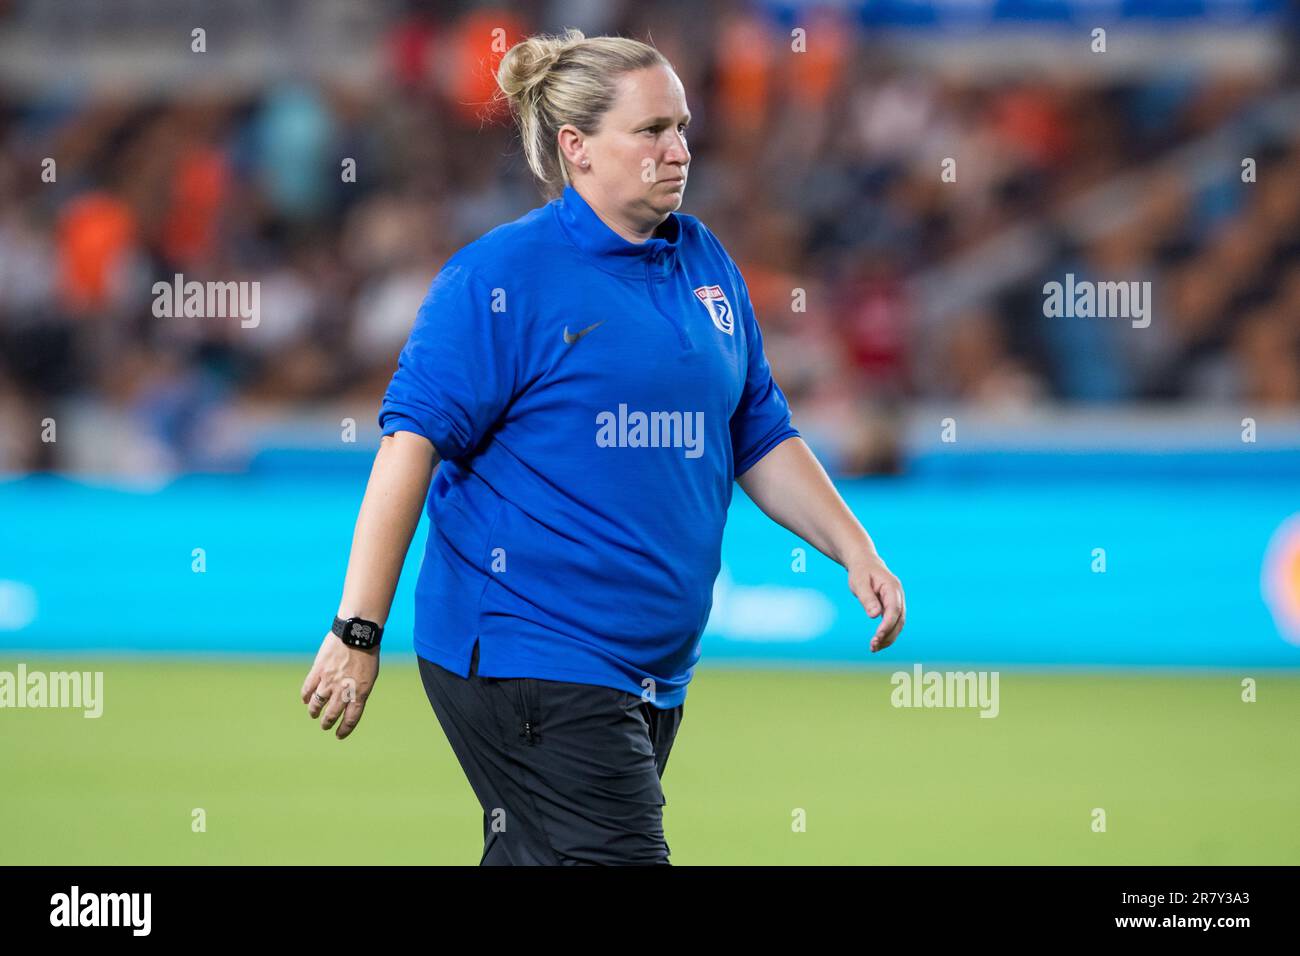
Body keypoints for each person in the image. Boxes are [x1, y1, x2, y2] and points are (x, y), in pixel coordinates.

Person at [299, 29, 906, 865]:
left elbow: (757, 429)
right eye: (651, 130)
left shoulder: (706, 263)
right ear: (575, 149)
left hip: (648, 670)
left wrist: (854, 547)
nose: (679, 149)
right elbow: (409, 447)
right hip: (528, 651)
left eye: (682, 126)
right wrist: (357, 633)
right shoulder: (501, 278)